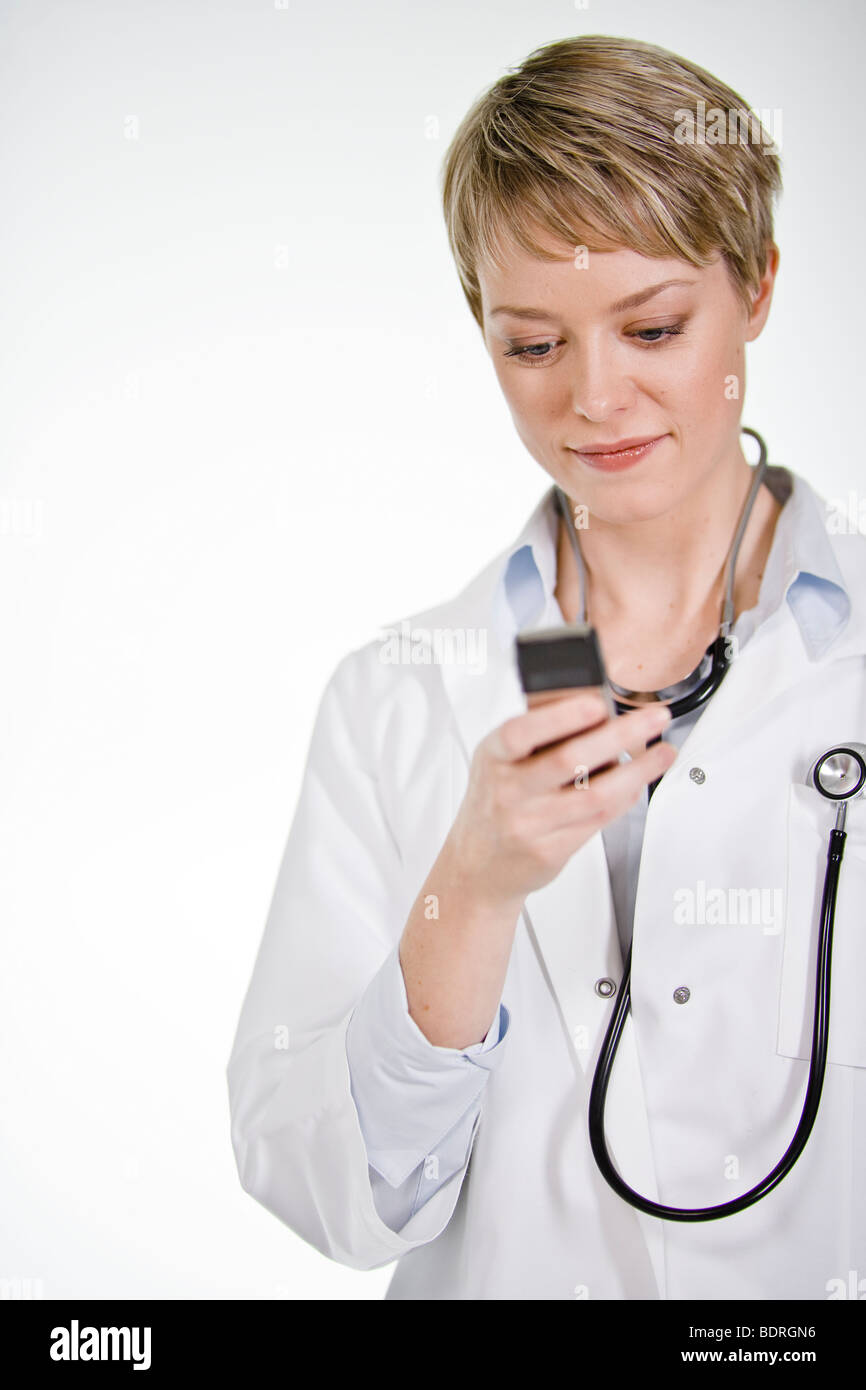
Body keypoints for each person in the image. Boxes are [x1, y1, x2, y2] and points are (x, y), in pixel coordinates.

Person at [226, 34, 866, 1300]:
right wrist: (467, 889)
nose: (595, 398)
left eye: (653, 325)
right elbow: (336, 1195)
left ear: (758, 287)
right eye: (532, 346)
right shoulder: (396, 696)